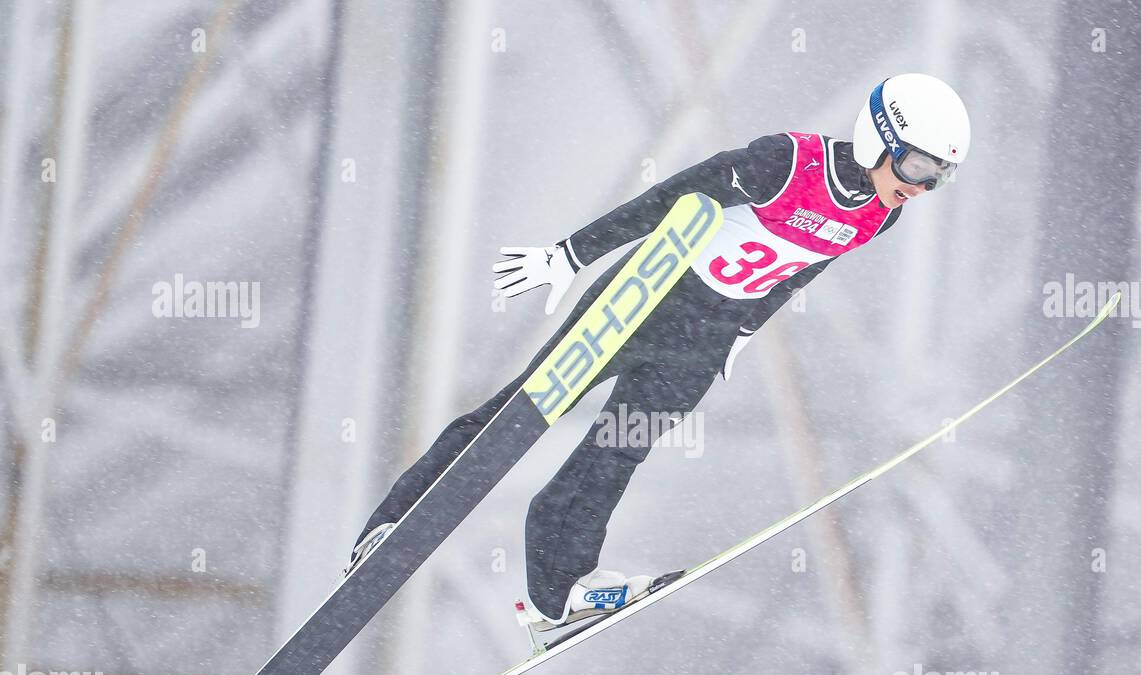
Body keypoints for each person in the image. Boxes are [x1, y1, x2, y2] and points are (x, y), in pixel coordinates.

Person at [347, 73, 971, 627]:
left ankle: (556, 596)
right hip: (648, 304)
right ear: (878, 139)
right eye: (916, 167)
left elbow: (800, 271)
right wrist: (571, 254)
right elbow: (670, 199)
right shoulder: (785, 163)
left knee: (618, 451)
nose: (920, 187)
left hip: (706, 337)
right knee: (523, 413)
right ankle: (396, 522)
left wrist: (744, 332)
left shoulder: (880, 215)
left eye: (936, 178)